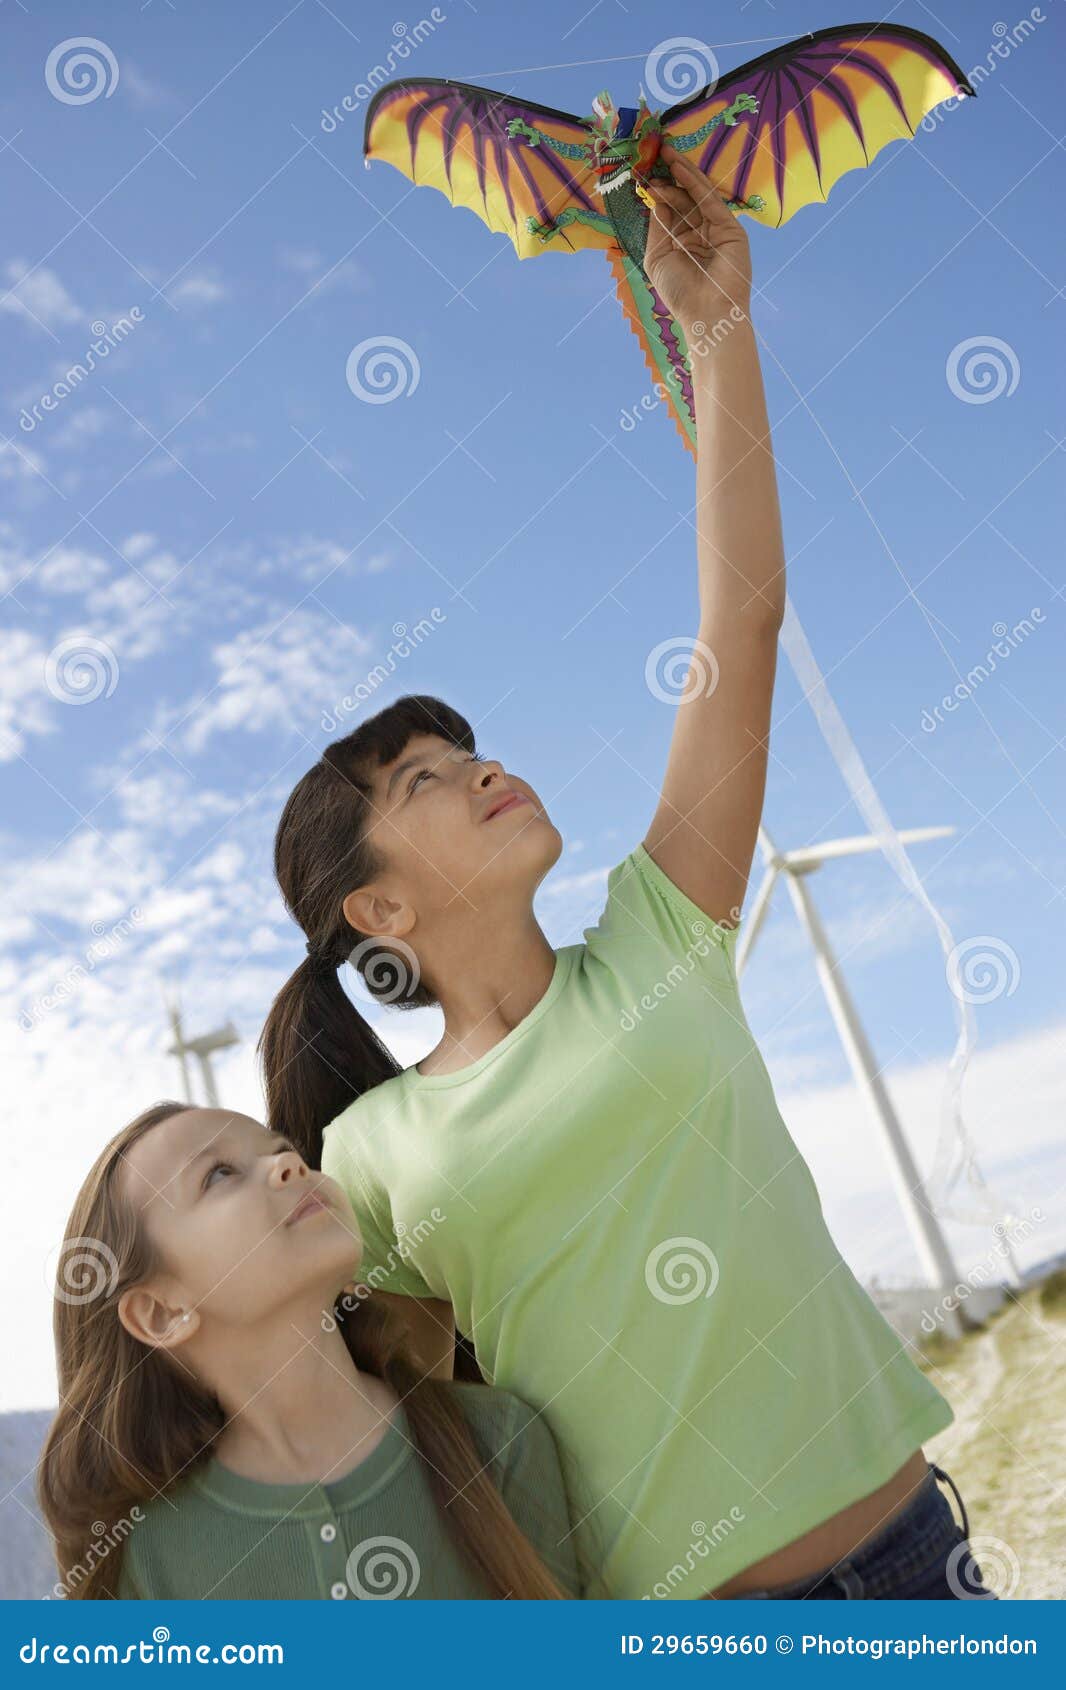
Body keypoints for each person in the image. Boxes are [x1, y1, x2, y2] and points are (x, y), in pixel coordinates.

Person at [259, 146, 988, 1600]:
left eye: (468, 748)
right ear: (377, 910)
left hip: (918, 1562)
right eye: (423, 779)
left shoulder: (658, 930)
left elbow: (743, 615)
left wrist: (715, 324)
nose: (479, 767)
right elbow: (392, 1441)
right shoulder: (373, 1158)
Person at [37, 1102, 578, 1600]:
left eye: (280, 1150)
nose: (289, 1165)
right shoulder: (140, 1557)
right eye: (219, 1174)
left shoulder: (500, 1441)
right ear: (159, 1313)